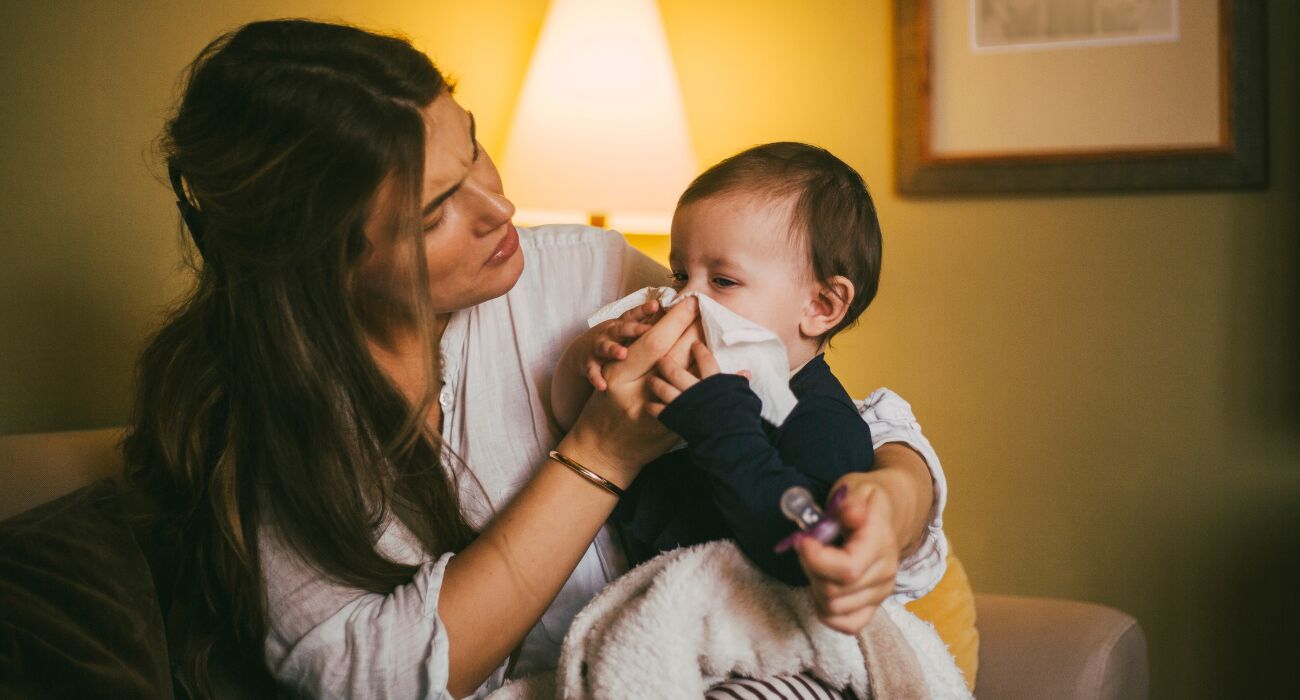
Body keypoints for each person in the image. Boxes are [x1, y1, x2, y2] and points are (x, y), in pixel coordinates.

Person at [123, 19, 946, 699]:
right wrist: (601, 453)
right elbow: (365, 678)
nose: (500, 206)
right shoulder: (274, 426)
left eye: (474, 148)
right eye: (437, 210)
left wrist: (891, 498)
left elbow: (809, 397)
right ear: (320, 260)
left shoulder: (583, 273)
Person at [552, 142, 888, 586]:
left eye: (723, 280)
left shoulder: (822, 419)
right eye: (679, 275)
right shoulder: (682, 377)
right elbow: (571, 419)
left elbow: (811, 544)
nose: (684, 299)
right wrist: (591, 356)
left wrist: (722, 425)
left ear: (821, 306)